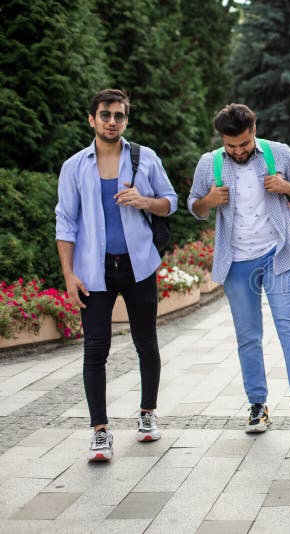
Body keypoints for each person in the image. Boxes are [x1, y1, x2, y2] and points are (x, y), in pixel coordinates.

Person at [55, 89, 178, 461]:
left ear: (126, 120)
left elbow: (170, 202)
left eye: (119, 116)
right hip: (94, 271)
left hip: (139, 265)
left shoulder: (145, 158)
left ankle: (147, 415)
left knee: (146, 342)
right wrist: (69, 274)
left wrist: (144, 200)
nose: (112, 121)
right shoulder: (74, 166)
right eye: (105, 115)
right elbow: (66, 221)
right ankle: (100, 431)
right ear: (92, 119)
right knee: (95, 349)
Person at [188, 103, 290, 432]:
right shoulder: (210, 163)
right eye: (231, 146)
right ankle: (257, 406)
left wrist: (287, 188)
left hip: (277, 254)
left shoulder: (278, 153)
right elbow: (194, 206)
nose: (238, 151)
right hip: (236, 262)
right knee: (248, 336)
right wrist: (208, 201)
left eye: (244, 144)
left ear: (254, 132)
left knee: (289, 324)